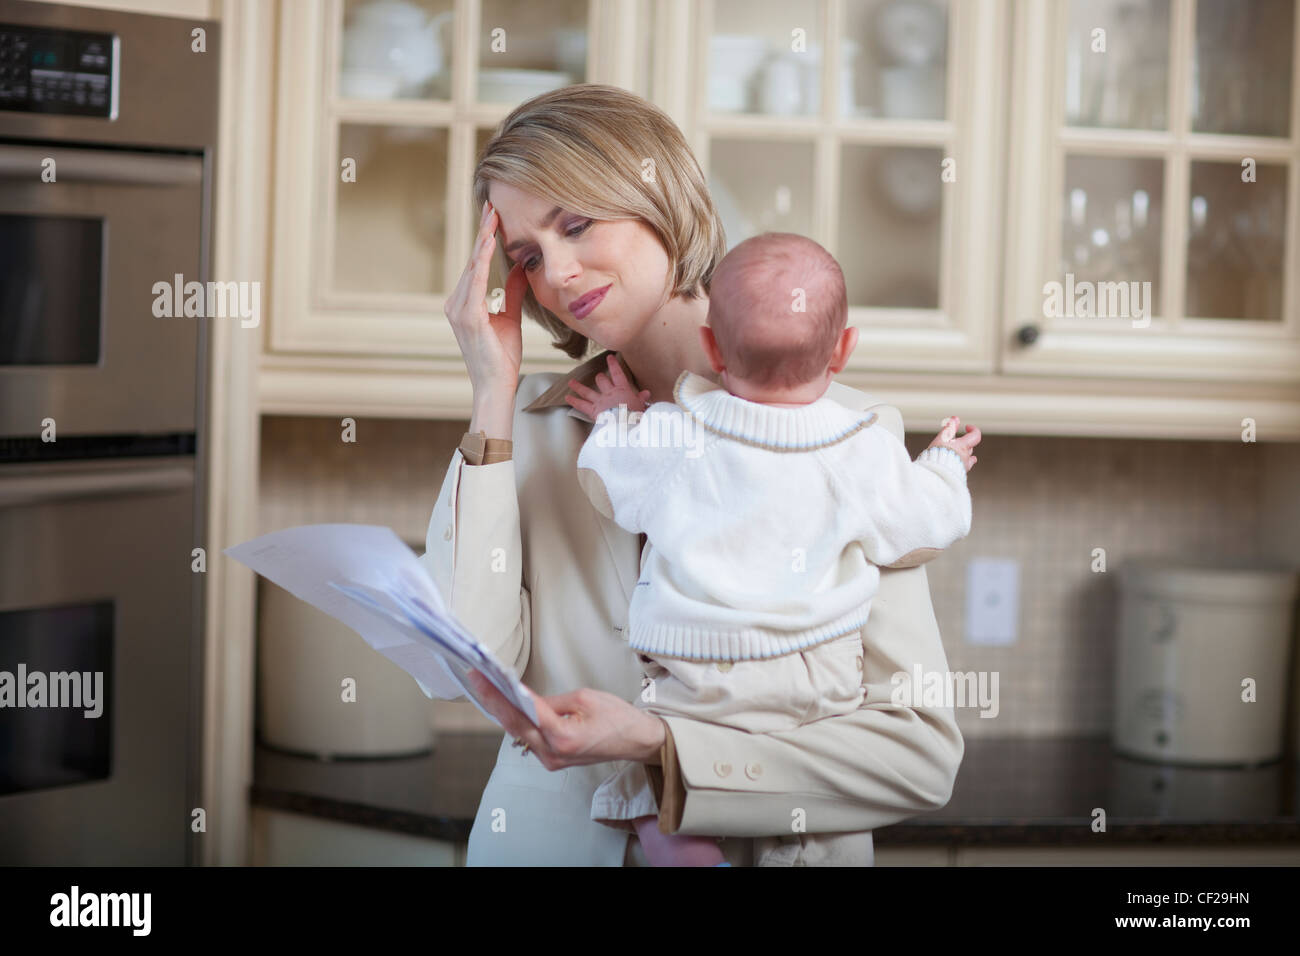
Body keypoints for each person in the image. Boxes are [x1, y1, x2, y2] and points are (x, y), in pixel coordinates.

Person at [423, 83, 978, 866]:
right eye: (527, 257)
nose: (560, 271)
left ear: (658, 196)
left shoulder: (848, 439)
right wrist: (491, 395)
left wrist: (665, 747)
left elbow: (917, 752)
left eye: (576, 223)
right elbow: (459, 667)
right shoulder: (523, 439)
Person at [569, 233, 978, 866]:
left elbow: (608, 481)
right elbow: (929, 523)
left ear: (711, 345)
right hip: (816, 682)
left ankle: (682, 844)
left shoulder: (679, 435)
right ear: (843, 350)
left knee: (663, 771)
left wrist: (620, 416)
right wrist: (945, 463)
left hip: (698, 676)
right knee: (798, 792)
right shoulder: (861, 447)